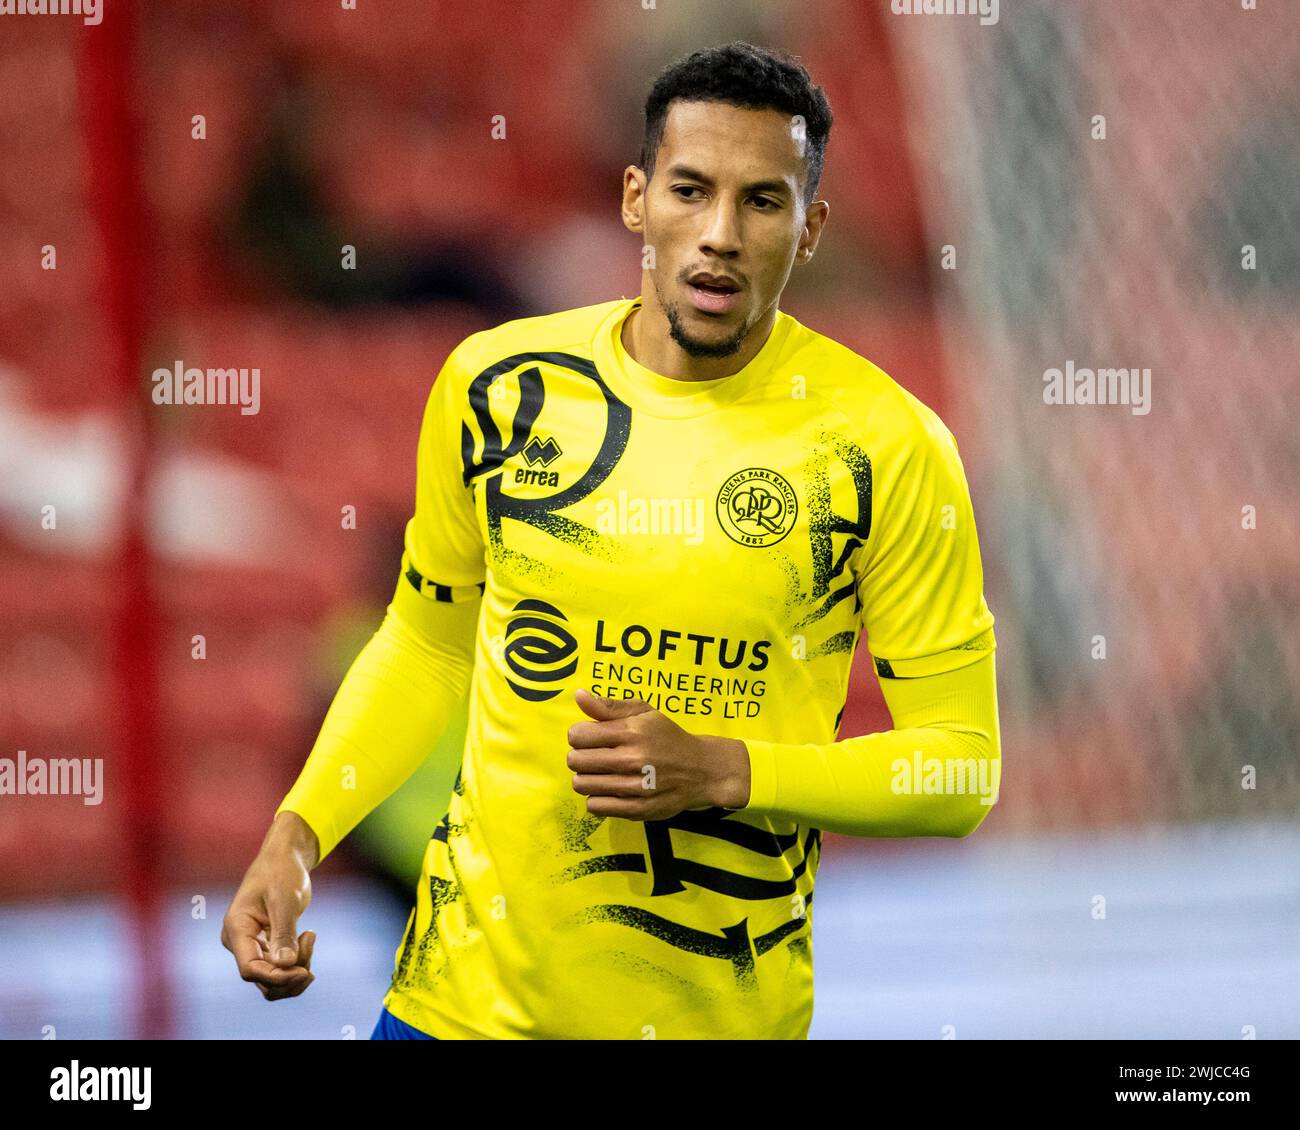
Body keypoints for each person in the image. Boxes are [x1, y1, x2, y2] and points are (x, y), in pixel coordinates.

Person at [221, 41, 1001, 1040]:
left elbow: (960, 768)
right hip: (453, 1011)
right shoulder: (496, 385)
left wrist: (728, 770)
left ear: (810, 230)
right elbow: (425, 644)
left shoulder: (889, 448)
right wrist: (296, 834)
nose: (718, 233)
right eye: (689, 189)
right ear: (635, 198)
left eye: (762, 202)